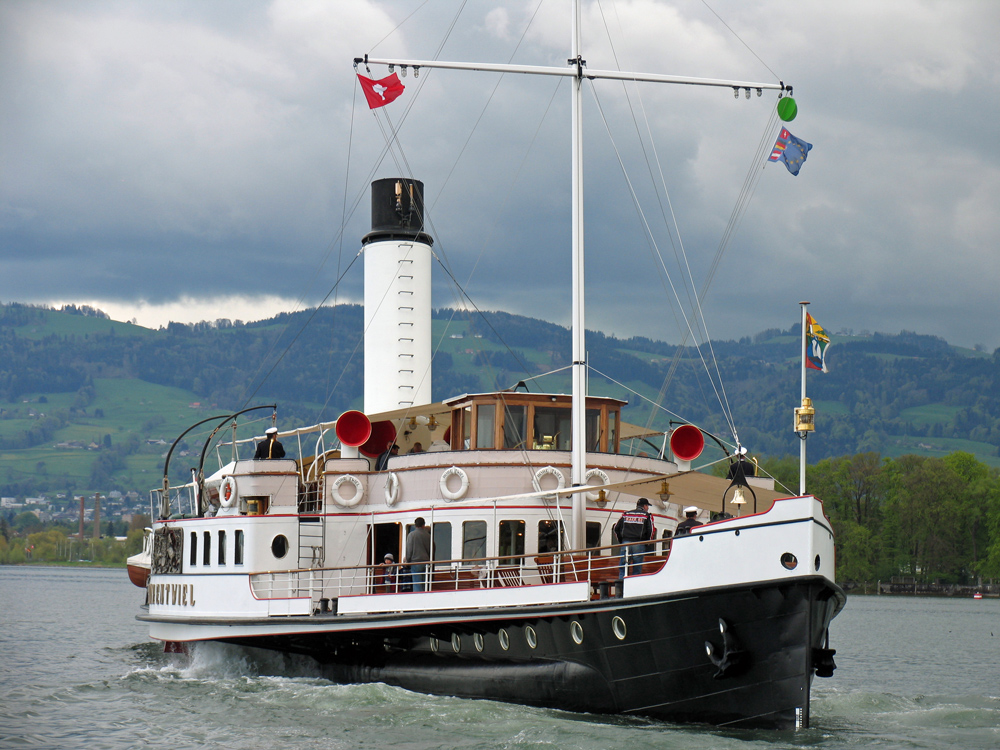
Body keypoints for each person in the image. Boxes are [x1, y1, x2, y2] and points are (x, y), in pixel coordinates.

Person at [613, 497, 655, 578]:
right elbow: (651, 531)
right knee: (637, 569)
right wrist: (646, 542)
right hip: (639, 543)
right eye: (647, 506)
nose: (648, 508)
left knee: (623, 568)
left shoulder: (626, 514)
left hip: (625, 543)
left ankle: (621, 587)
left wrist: (622, 541)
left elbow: (616, 528)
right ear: (645, 506)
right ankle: (633, 589)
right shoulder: (647, 516)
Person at [405, 517, 431, 591]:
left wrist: (407, 561)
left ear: (415, 525)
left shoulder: (411, 535)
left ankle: (419, 599)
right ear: (423, 525)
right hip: (426, 562)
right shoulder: (428, 536)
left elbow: (409, 550)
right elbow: (430, 550)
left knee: (417, 584)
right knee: (424, 583)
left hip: (415, 562)